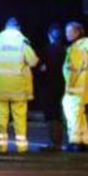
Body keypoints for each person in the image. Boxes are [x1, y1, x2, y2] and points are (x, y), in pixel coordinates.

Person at [0, 17, 39, 153]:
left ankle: (1, 146)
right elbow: (33, 61)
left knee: (0, 117)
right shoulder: (23, 41)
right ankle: (21, 147)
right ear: (18, 28)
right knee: (20, 117)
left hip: (0, 86)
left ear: (5, 27)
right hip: (18, 87)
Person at [62, 21, 88, 153]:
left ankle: (75, 142)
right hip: (83, 89)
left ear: (77, 32)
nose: (66, 34)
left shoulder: (76, 49)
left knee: (73, 116)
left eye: (69, 31)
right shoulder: (85, 48)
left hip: (74, 89)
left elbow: (73, 70)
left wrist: (69, 87)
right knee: (80, 116)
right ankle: (84, 141)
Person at [39, 22, 66, 152]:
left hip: (49, 87)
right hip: (62, 86)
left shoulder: (48, 50)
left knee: (51, 116)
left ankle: (54, 144)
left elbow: (44, 69)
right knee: (57, 116)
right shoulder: (65, 50)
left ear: (49, 35)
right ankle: (57, 143)